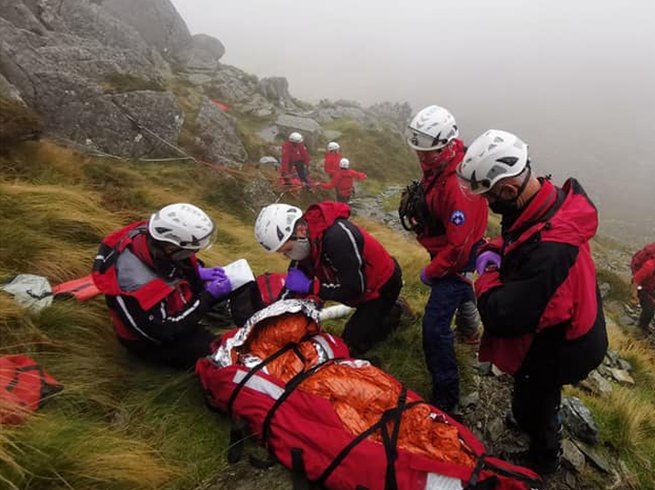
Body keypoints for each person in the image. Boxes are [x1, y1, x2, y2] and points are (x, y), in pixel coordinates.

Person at [458, 129, 608, 475]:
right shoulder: (545, 200)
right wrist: (493, 250)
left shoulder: (550, 251)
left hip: (569, 344)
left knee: (535, 396)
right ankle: (535, 417)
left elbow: (503, 316)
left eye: (489, 197)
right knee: (534, 393)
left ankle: (544, 458)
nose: (487, 204)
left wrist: (488, 274)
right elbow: (516, 236)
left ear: (509, 189)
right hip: (577, 321)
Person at [401, 105, 488, 413]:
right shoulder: (442, 164)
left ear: (449, 145)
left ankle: (446, 397)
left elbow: (460, 248)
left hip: (454, 261)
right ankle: (470, 331)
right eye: (419, 153)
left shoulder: (457, 185)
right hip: (452, 254)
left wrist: (432, 271)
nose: (423, 158)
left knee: (434, 328)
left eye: (429, 153)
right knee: (465, 292)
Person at [91, 203, 232, 368]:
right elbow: (164, 331)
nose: (193, 254)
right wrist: (206, 298)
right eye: (190, 251)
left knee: (231, 292)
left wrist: (197, 272)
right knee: (220, 352)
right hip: (152, 343)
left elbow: (174, 262)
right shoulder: (137, 285)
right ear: (171, 248)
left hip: (165, 305)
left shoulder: (150, 234)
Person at [254, 201, 403, 355]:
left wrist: (312, 287)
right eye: (284, 253)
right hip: (359, 289)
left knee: (351, 344)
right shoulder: (306, 241)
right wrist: (269, 319)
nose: (289, 256)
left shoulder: (338, 238)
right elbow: (290, 290)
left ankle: (394, 310)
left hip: (382, 286)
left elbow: (354, 289)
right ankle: (382, 312)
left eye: (289, 250)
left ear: (299, 230)